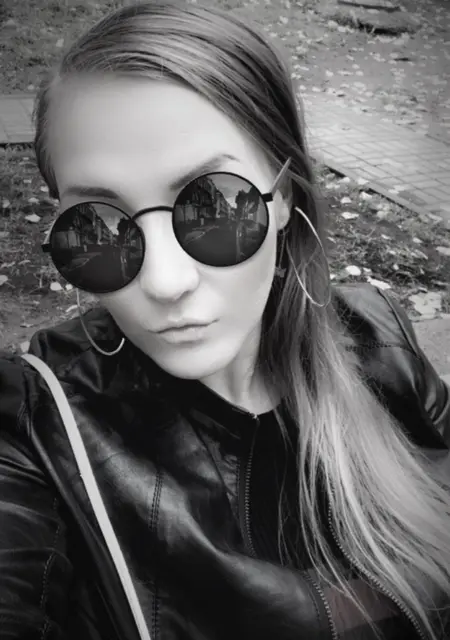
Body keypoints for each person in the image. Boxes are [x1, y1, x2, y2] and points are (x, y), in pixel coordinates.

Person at [0, 1, 449, 639]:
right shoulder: (35, 422)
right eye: (97, 228)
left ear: (283, 195)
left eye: (213, 208)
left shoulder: (380, 340)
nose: (165, 281)